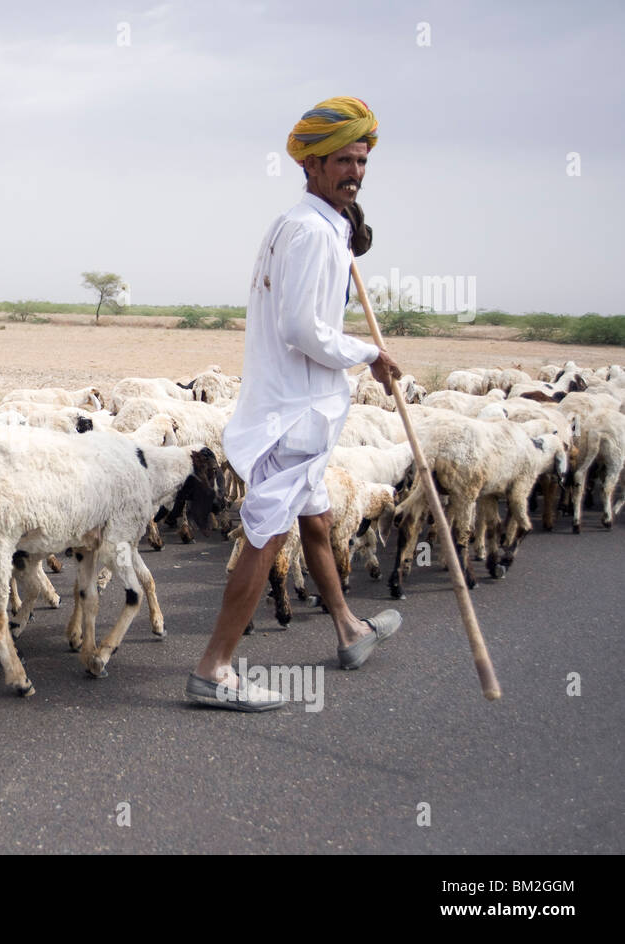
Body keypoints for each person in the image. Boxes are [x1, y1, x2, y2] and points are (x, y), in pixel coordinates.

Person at [187, 96, 403, 711]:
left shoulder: (309, 226)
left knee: (315, 517)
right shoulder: (312, 232)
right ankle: (214, 668)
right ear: (310, 164)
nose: (354, 172)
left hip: (293, 407)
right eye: (342, 161)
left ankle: (347, 628)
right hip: (296, 415)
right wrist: (369, 355)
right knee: (265, 534)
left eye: (361, 161)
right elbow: (303, 329)